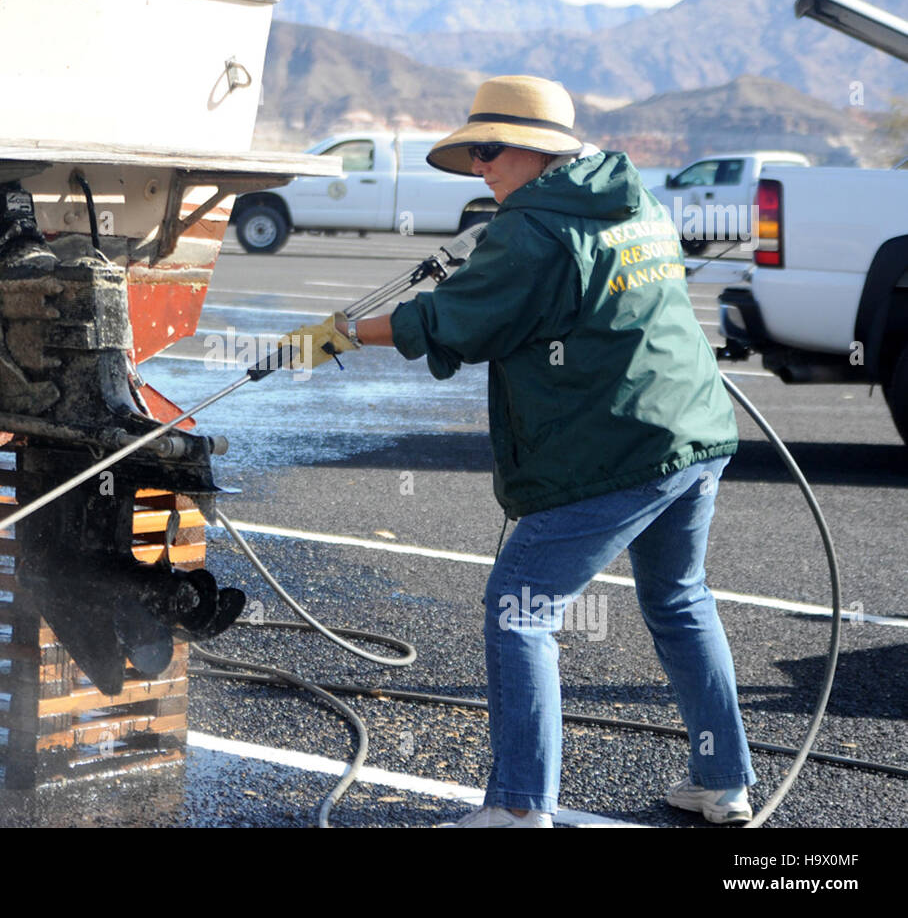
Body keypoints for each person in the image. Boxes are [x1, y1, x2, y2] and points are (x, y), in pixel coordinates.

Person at [296, 75, 757, 827]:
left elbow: (454, 322)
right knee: (679, 599)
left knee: (520, 610)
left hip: (623, 448)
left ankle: (516, 808)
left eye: (489, 149)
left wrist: (337, 333)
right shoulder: (632, 201)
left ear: (538, 151)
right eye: (474, 152)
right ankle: (723, 781)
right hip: (696, 432)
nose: (480, 166)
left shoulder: (533, 229)